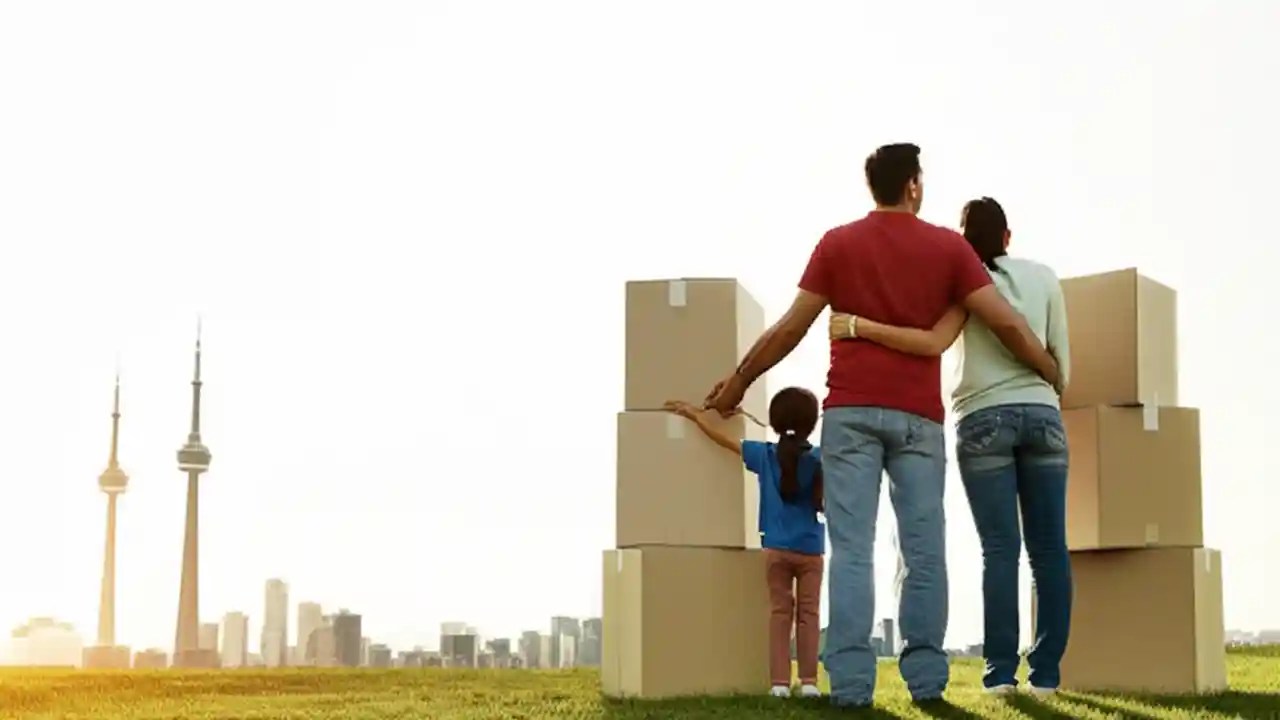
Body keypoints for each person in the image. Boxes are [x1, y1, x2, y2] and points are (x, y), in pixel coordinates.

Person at [702, 143, 1060, 708]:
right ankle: (926, 684)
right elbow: (1007, 323)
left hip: (850, 413)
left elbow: (790, 327)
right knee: (923, 550)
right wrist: (1049, 367)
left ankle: (849, 687)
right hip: (919, 419)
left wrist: (739, 381)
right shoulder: (948, 247)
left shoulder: (838, 243)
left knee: (851, 548)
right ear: (913, 185)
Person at [828, 196, 1071, 696]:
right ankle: (1046, 675)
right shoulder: (1044, 277)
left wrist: (857, 326)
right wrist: (1053, 380)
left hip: (982, 418)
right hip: (1043, 412)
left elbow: (934, 341)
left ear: (964, 240)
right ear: (1008, 236)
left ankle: (1000, 673)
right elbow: (1056, 349)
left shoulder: (963, 283)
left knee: (999, 549)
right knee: (1049, 549)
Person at [664, 388, 825, 700]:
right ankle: (808, 683)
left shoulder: (763, 455)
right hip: (811, 550)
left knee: (780, 614)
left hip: (776, 549)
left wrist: (696, 415)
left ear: (776, 423)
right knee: (809, 616)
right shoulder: (819, 458)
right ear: (811, 423)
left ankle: (779, 684)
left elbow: (723, 441)